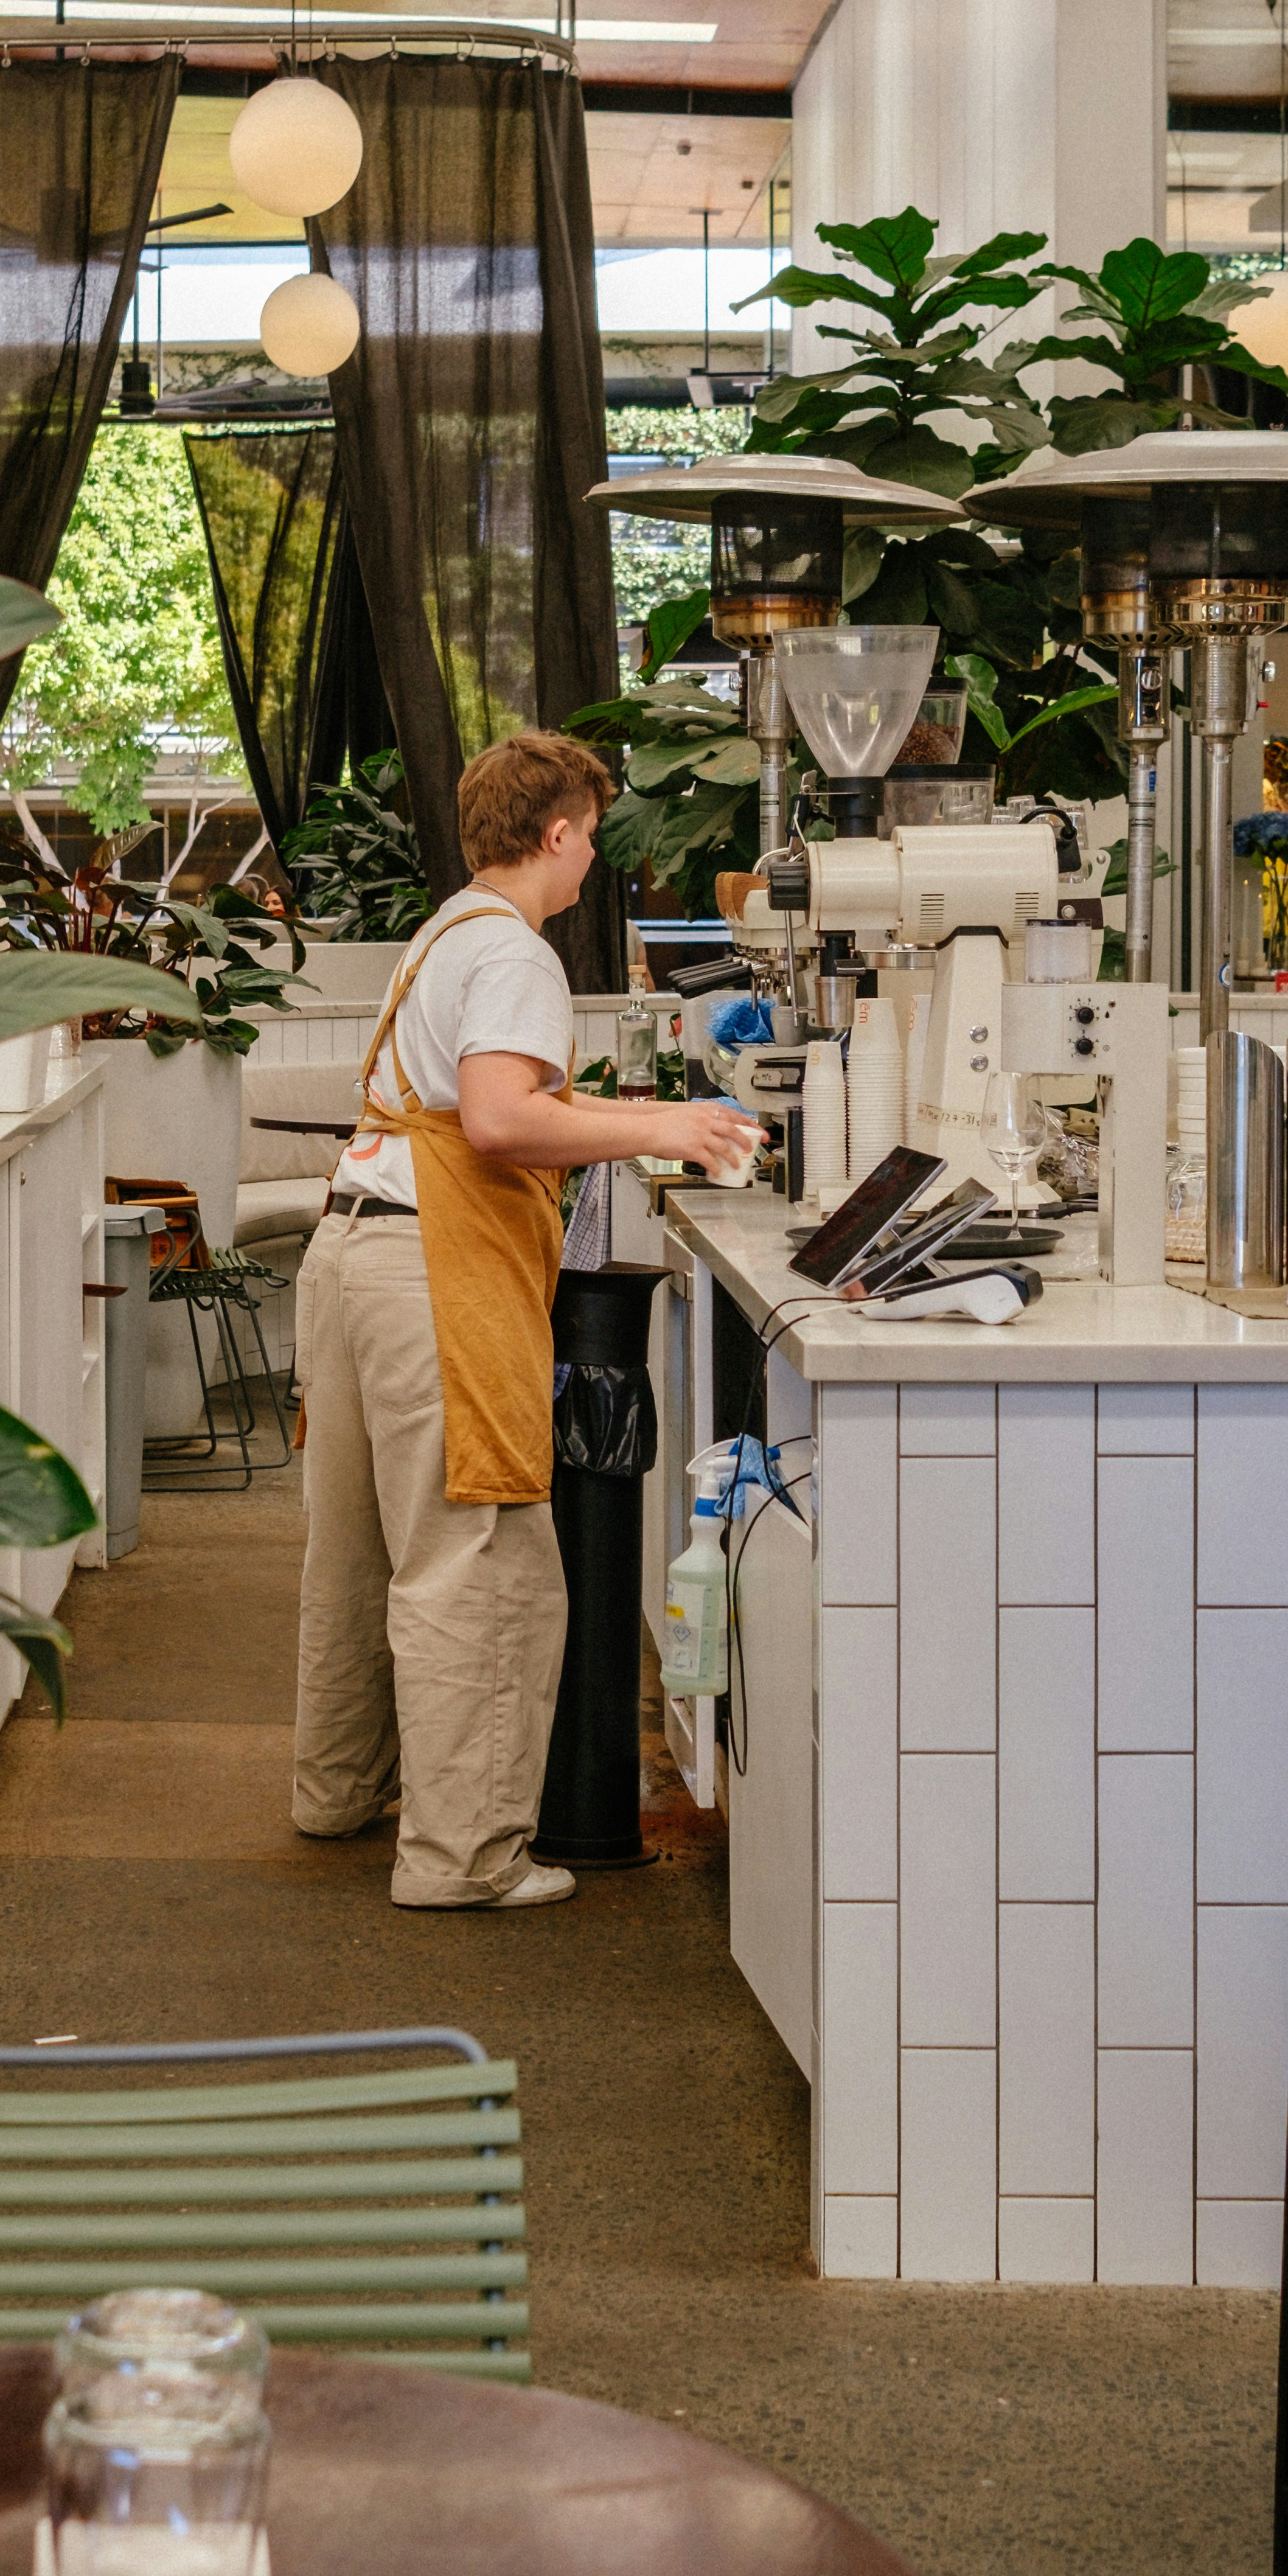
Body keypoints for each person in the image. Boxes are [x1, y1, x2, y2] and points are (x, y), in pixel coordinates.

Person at [291, 729, 760, 1910]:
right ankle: (463, 1860)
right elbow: (498, 1122)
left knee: (354, 1549)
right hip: (430, 1270)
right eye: (591, 840)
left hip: (349, 1249)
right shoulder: (515, 955)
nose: (592, 861)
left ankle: (337, 1790)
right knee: (479, 1562)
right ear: (556, 836)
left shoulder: (443, 931)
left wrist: (590, 1112)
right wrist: (668, 1130)